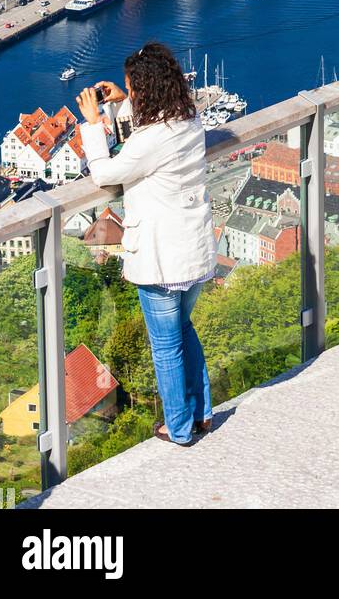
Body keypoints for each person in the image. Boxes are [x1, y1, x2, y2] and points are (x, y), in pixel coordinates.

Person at [76, 41, 216, 447]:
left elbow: (106, 173)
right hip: (194, 253)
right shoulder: (188, 120)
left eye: (129, 87)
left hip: (161, 259)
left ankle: (179, 426)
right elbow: (150, 136)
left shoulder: (150, 139)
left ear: (144, 90)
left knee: (166, 347)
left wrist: (91, 122)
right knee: (183, 330)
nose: (126, 93)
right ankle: (201, 412)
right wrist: (123, 102)